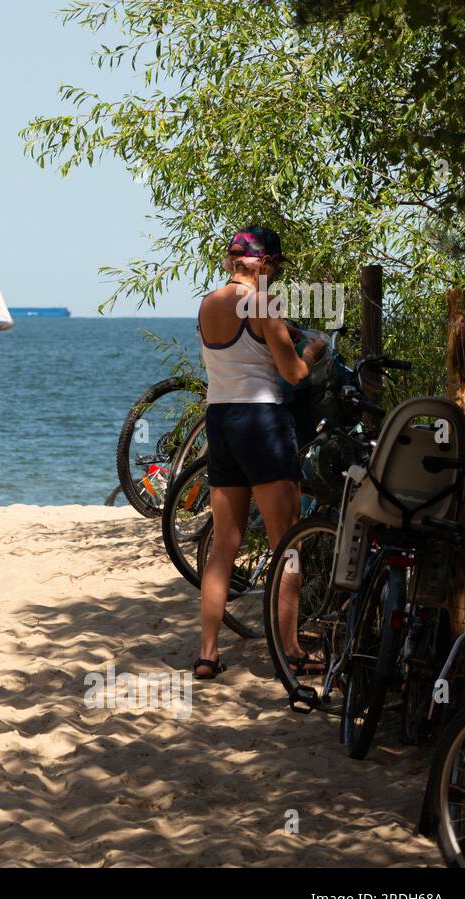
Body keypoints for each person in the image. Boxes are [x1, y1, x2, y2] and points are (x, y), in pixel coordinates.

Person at [194, 226, 324, 680]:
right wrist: (312, 350)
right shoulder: (263, 304)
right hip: (262, 422)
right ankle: (289, 650)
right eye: (272, 266)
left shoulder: (208, 303)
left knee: (223, 547)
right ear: (264, 263)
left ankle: (208, 653)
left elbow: (239, 354)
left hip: (221, 422)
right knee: (286, 542)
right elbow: (292, 374)